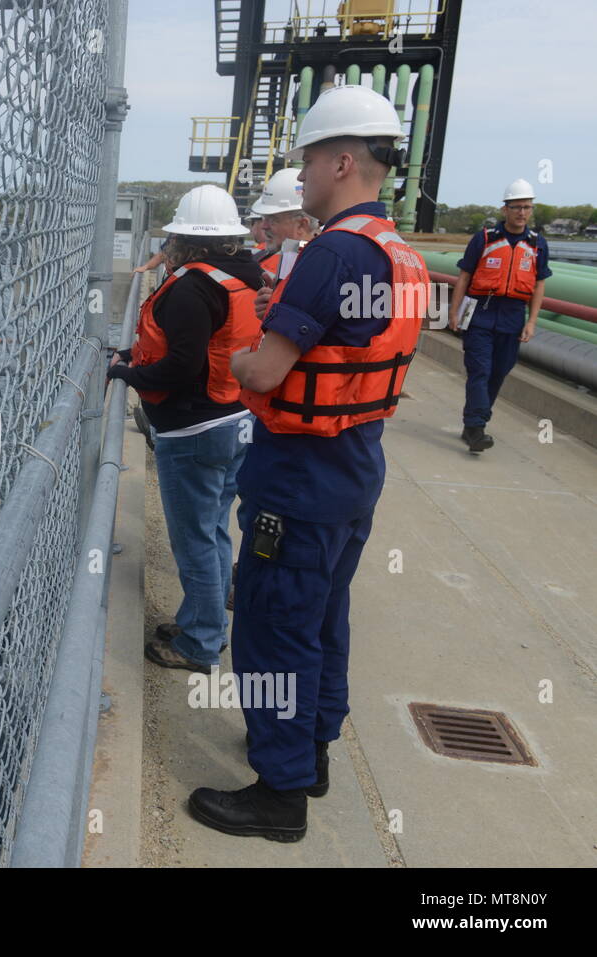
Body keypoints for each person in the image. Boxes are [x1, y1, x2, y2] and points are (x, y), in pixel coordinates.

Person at [187, 85, 428, 842]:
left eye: (311, 161)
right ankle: (312, 751)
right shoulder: (399, 254)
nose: (304, 176)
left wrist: (243, 355)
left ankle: (280, 792)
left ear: (343, 161)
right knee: (323, 618)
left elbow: (264, 372)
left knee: (271, 630)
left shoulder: (332, 252)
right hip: (352, 470)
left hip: (297, 480)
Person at [108, 184, 263, 673]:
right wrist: (135, 357)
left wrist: (126, 374)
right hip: (236, 417)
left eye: (172, 238)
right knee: (213, 531)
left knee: (195, 541)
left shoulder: (193, 288)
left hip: (195, 431)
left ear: (184, 240)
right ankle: (203, 623)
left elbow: (180, 366)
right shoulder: (245, 275)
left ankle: (200, 643)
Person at [448, 179, 550, 452]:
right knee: (480, 370)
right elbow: (464, 276)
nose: (522, 212)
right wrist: (454, 312)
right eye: (517, 207)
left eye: (527, 207)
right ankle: (476, 428)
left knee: (498, 373)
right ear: (505, 209)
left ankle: (474, 423)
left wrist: (532, 321)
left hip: (513, 316)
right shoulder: (484, 239)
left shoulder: (537, 244)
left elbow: (539, 284)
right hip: (481, 312)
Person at [250, 167, 320, 281]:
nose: (264, 226)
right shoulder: (294, 257)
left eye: (273, 220)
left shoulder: (317, 265)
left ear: (301, 225)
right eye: (264, 218)